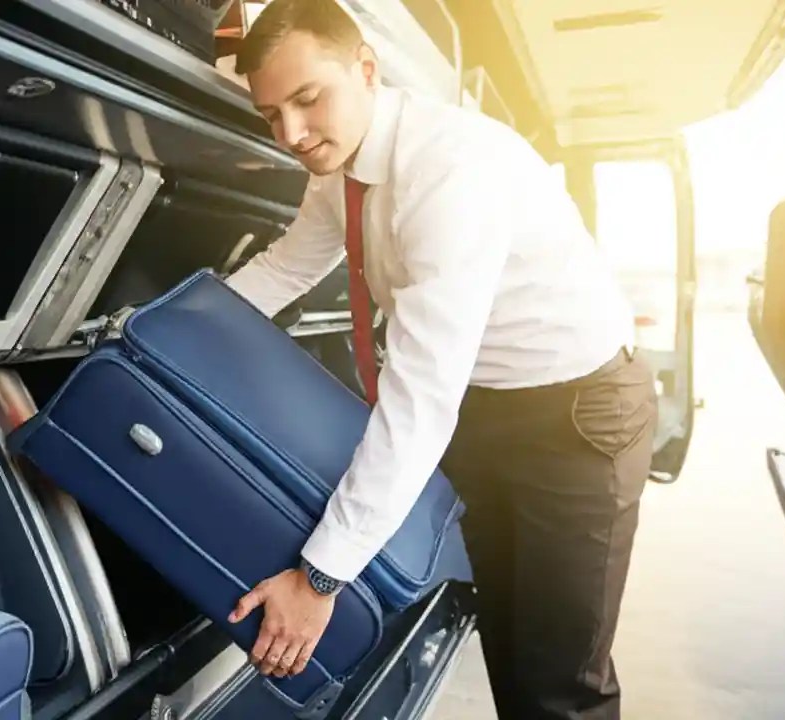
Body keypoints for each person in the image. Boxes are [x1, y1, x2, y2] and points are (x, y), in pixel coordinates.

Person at [219, 1, 657, 718]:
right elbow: (286, 268)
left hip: (577, 419)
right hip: (489, 409)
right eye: (272, 115)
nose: (292, 133)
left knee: (560, 680)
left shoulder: (448, 170)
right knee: (510, 645)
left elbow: (420, 398)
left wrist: (320, 579)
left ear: (366, 69)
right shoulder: (341, 167)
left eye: (308, 99)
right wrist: (164, 327)